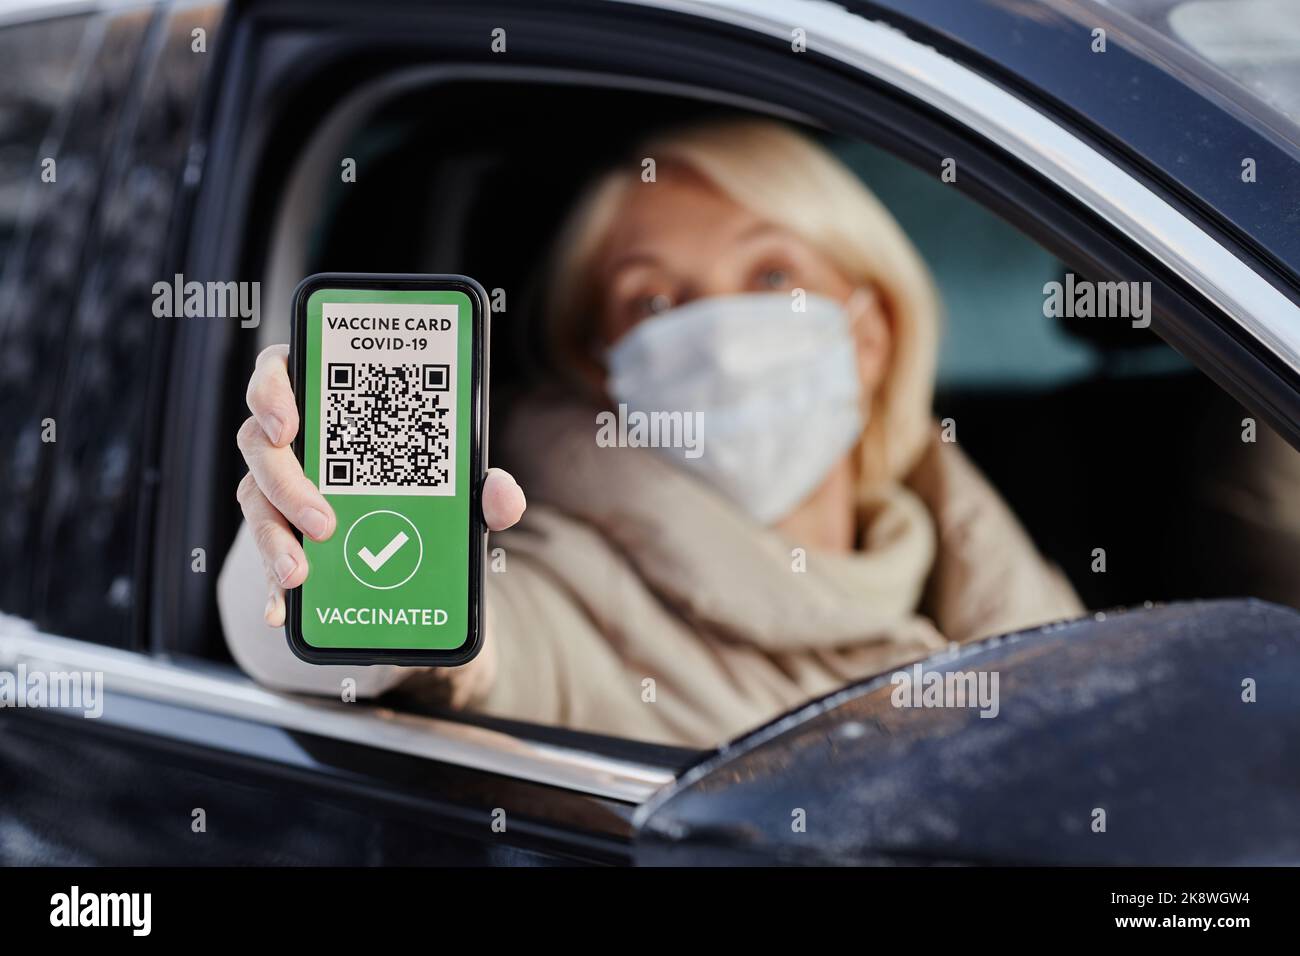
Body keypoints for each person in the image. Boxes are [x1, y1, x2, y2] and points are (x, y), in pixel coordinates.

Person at [219, 118, 1084, 748]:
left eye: (772, 272)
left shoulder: (1008, 601)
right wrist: (306, 544)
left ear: (868, 331)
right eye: (653, 301)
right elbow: (382, 647)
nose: (723, 326)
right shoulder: (567, 585)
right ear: (606, 369)